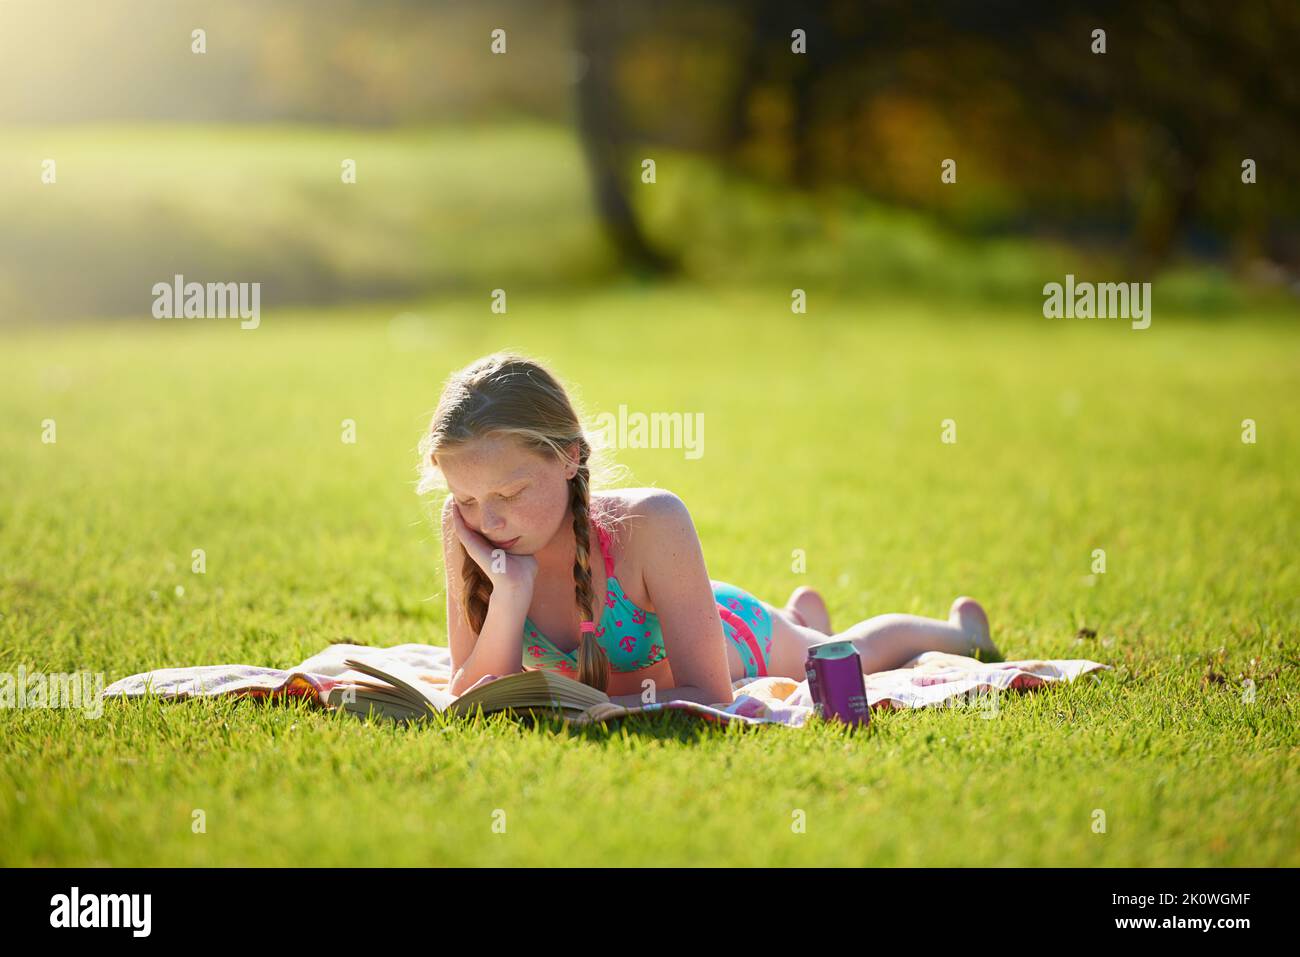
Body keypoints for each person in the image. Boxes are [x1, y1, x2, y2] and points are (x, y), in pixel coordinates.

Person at [417, 351, 1002, 708]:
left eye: (510, 493)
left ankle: (959, 631)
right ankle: (801, 617)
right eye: (465, 497)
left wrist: (603, 709)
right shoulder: (467, 531)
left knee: (841, 654)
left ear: (570, 457)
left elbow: (711, 694)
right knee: (810, 636)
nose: (487, 520)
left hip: (731, 634)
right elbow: (470, 692)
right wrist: (510, 592)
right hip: (689, 619)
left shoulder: (651, 522)